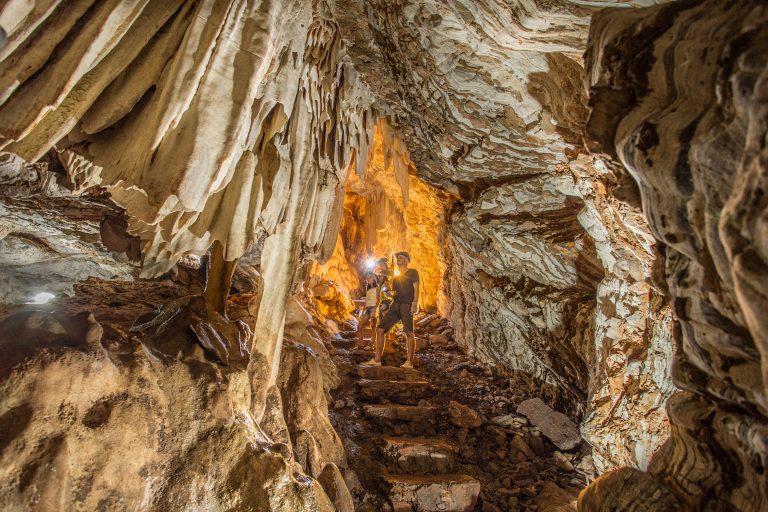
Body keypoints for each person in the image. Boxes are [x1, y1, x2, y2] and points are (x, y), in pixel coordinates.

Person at [363, 251, 419, 368]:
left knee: (409, 332)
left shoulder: (413, 272)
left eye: (402, 257)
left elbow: (416, 288)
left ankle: (409, 362)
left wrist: (415, 303)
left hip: (407, 304)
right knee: (380, 329)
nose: (399, 259)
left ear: (407, 260)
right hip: (396, 304)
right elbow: (395, 293)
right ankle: (377, 360)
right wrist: (389, 293)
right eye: (397, 258)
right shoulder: (397, 277)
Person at [356, 273, 380, 347]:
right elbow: (367, 300)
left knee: (373, 326)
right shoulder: (368, 288)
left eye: (369, 278)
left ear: (373, 279)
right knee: (359, 326)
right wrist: (363, 311)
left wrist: (376, 309)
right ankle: (360, 344)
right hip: (368, 309)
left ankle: (372, 343)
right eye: (367, 278)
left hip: (374, 308)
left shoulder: (377, 288)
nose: (368, 279)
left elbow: (378, 299)